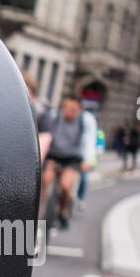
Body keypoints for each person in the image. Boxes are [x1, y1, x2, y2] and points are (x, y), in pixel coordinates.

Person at [37, 94, 95, 229]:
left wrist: (87, 160)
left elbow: (88, 141)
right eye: (66, 108)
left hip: (72, 158)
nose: (69, 111)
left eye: (73, 109)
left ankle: (63, 210)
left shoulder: (85, 121)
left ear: (79, 110)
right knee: (45, 180)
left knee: (65, 185)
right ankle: (41, 209)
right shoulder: (54, 117)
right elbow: (46, 137)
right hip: (54, 155)